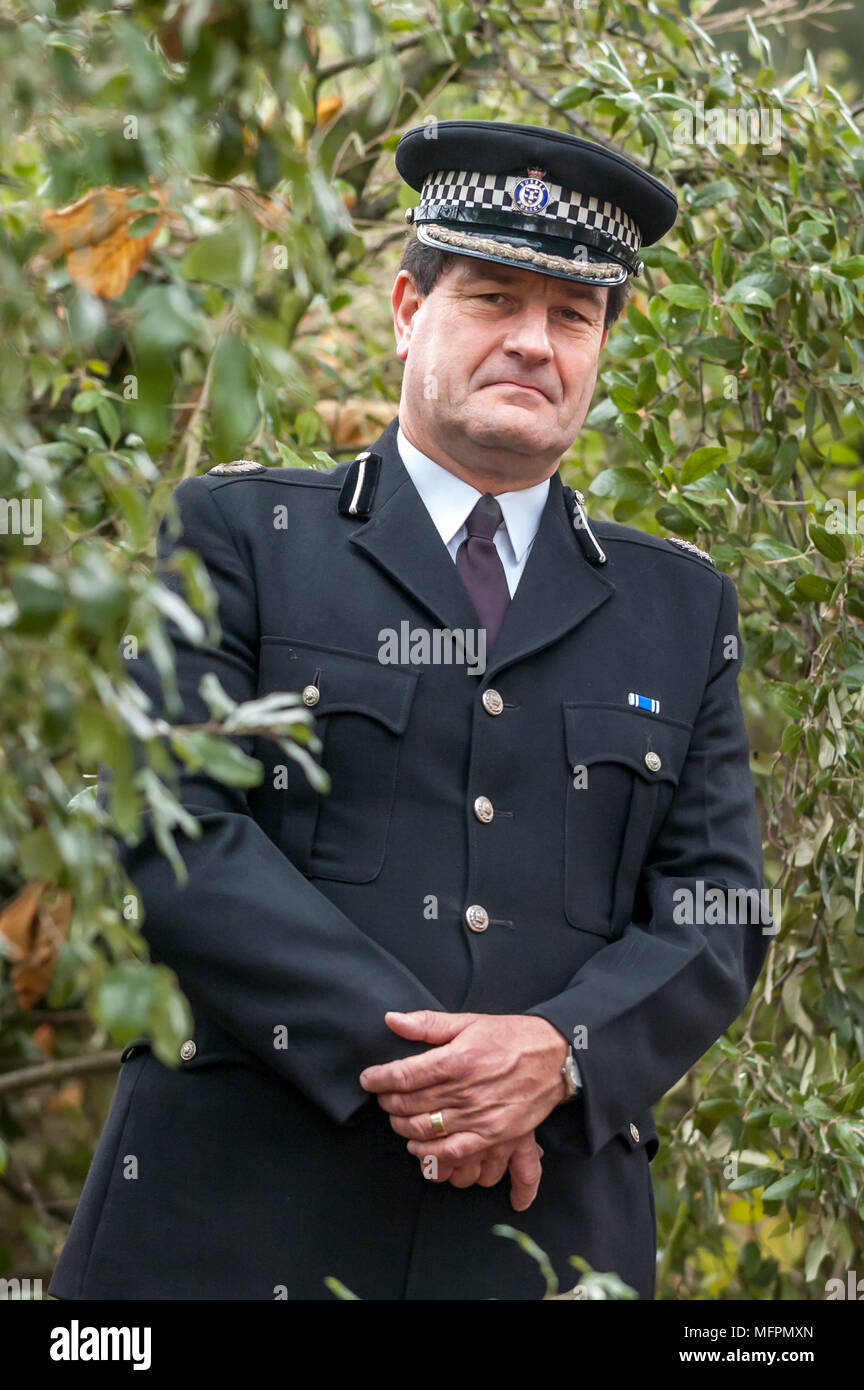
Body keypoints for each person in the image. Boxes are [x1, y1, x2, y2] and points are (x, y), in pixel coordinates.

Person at [49, 119, 770, 1302]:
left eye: (572, 316)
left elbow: (716, 906)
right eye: (493, 297)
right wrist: (446, 1079)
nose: (533, 343)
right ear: (404, 308)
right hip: (230, 1234)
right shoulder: (240, 538)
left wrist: (558, 1056)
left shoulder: (680, 608)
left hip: (536, 1249)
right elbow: (167, 831)